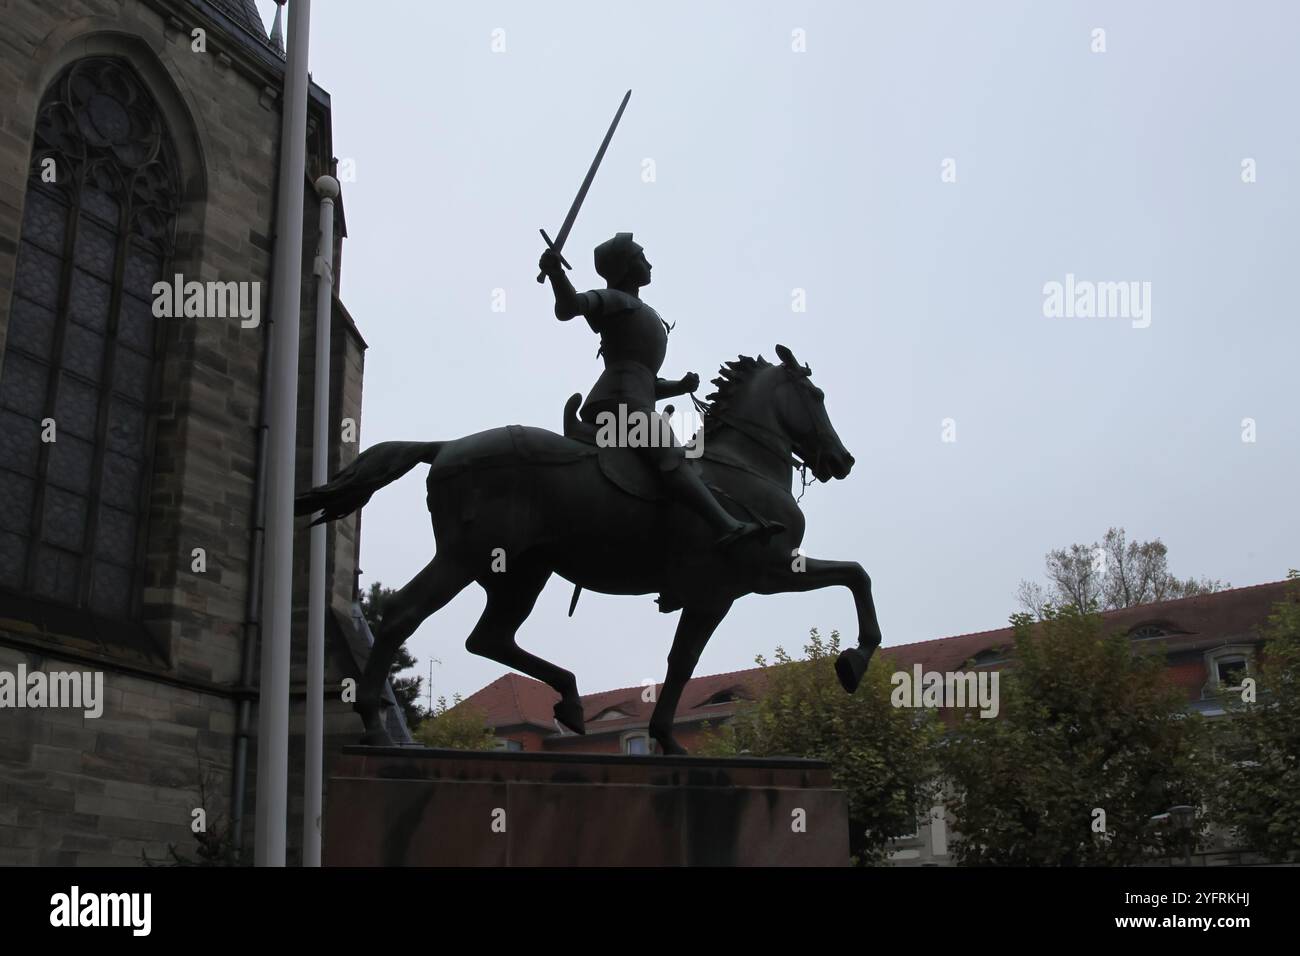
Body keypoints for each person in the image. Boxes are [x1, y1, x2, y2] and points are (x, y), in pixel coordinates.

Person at [539, 233, 777, 547]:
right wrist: (556, 273)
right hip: (617, 402)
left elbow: (646, 383)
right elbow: (568, 307)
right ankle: (726, 525)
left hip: (633, 400)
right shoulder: (616, 300)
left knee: (668, 460)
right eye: (640, 257)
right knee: (671, 455)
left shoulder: (642, 310)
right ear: (624, 267)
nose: (648, 263)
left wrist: (680, 386)